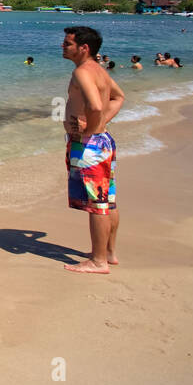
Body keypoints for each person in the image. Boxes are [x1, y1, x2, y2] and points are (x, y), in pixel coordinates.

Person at [61, 26, 124, 275]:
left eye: (68, 44)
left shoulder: (82, 72)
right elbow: (118, 97)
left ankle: (98, 261)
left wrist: (89, 128)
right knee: (107, 200)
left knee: (97, 204)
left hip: (89, 146)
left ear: (83, 48)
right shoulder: (99, 70)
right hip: (103, 141)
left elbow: (96, 105)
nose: (63, 47)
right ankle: (108, 252)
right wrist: (99, 126)